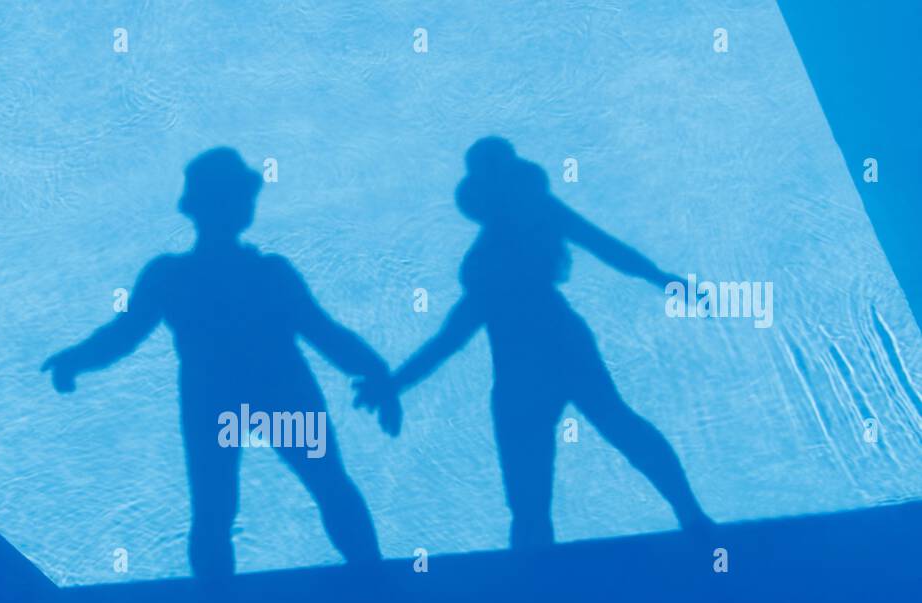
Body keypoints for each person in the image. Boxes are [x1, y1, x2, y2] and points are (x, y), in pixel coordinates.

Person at [43, 147, 399, 577]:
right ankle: (374, 580)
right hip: (282, 394)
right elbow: (326, 335)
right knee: (327, 487)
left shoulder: (170, 276)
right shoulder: (269, 274)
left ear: (194, 208)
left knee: (215, 512)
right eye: (242, 196)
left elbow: (122, 336)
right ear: (239, 205)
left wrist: (75, 360)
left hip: (214, 403)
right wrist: (378, 373)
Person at [355, 137, 710, 548]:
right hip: (560, 347)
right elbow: (608, 248)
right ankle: (693, 518)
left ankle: (542, 564)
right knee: (616, 429)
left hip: (521, 369)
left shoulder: (488, 262)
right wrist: (663, 280)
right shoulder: (540, 220)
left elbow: (449, 340)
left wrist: (394, 384)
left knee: (534, 488)